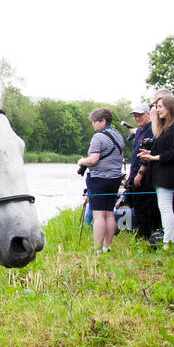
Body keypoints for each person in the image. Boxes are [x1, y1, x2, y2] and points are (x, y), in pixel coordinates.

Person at [136, 93, 174, 248]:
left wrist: (155, 158)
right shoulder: (166, 127)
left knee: (166, 208)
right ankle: (168, 238)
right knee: (164, 208)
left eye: (160, 107)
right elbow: (163, 148)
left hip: (169, 175)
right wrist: (150, 154)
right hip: (161, 174)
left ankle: (168, 241)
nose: (157, 110)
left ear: (170, 107)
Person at [76, 108, 125, 253]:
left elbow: (93, 159)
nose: (93, 125)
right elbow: (120, 156)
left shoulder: (98, 137)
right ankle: (107, 247)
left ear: (103, 121)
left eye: (94, 121)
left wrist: (81, 161)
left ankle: (97, 248)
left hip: (99, 179)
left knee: (98, 215)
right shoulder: (118, 135)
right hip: (115, 179)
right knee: (109, 213)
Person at [122, 102, 159, 244]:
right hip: (134, 172)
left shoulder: (151, 130)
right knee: (136, 205)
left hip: (145, 174)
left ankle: (145, 236)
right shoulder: (139, 130)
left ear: (148, 114)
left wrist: (140, 173)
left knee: (145, 206)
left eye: (140, 115)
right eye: (135, 116)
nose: (137, 118)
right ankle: (141, 233)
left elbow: (148, 154)